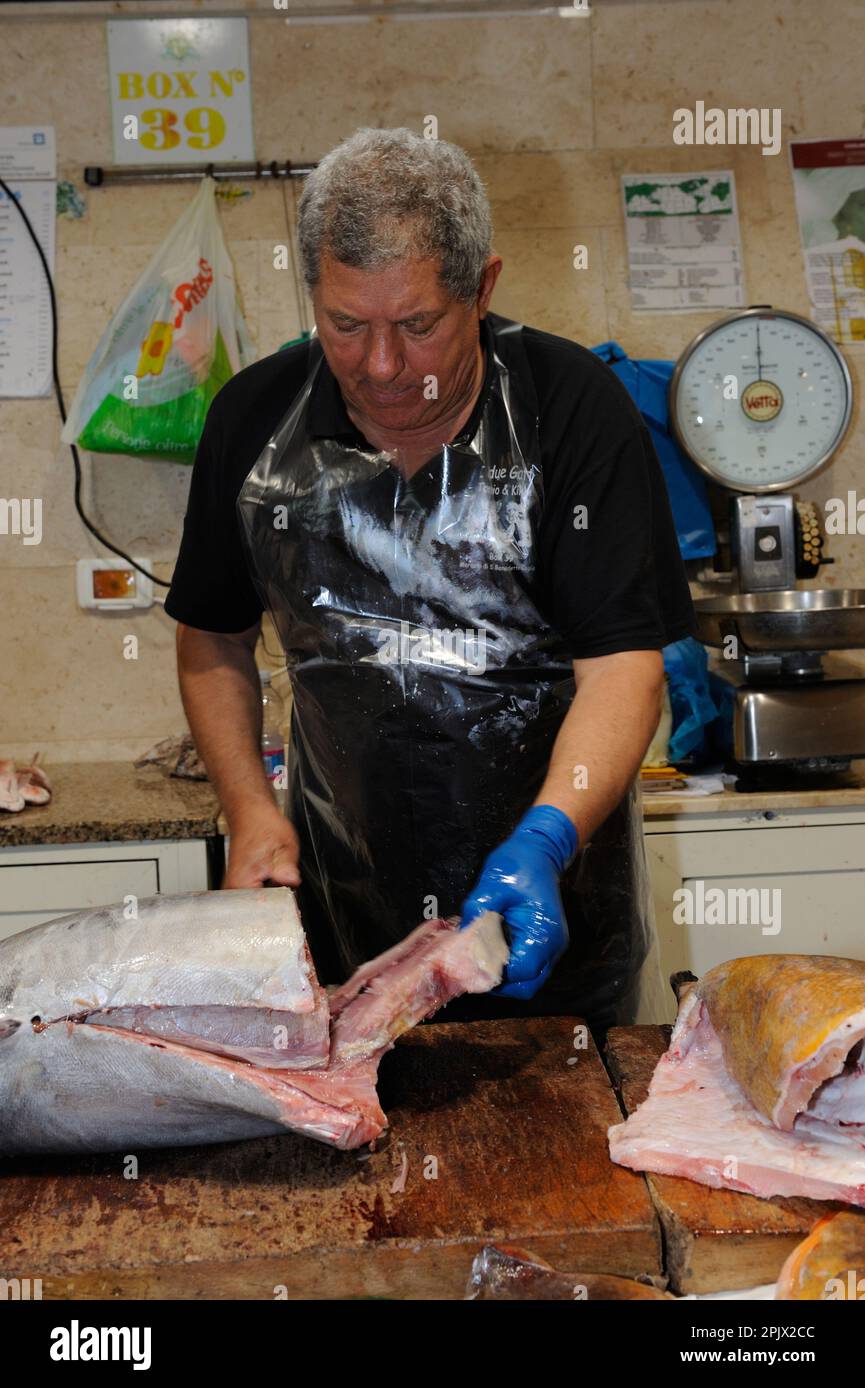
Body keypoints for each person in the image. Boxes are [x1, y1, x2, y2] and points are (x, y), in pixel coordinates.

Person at [165, 127, 695, 1037]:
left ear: (481, 288)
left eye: (417, 326)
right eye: (345, 325)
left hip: (550, 909)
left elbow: (620, 666)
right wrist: (248, 809)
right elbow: (212, 634)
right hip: (333, 915)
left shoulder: (573, 410)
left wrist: (545, 839)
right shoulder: (252, 418)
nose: (380, 367)